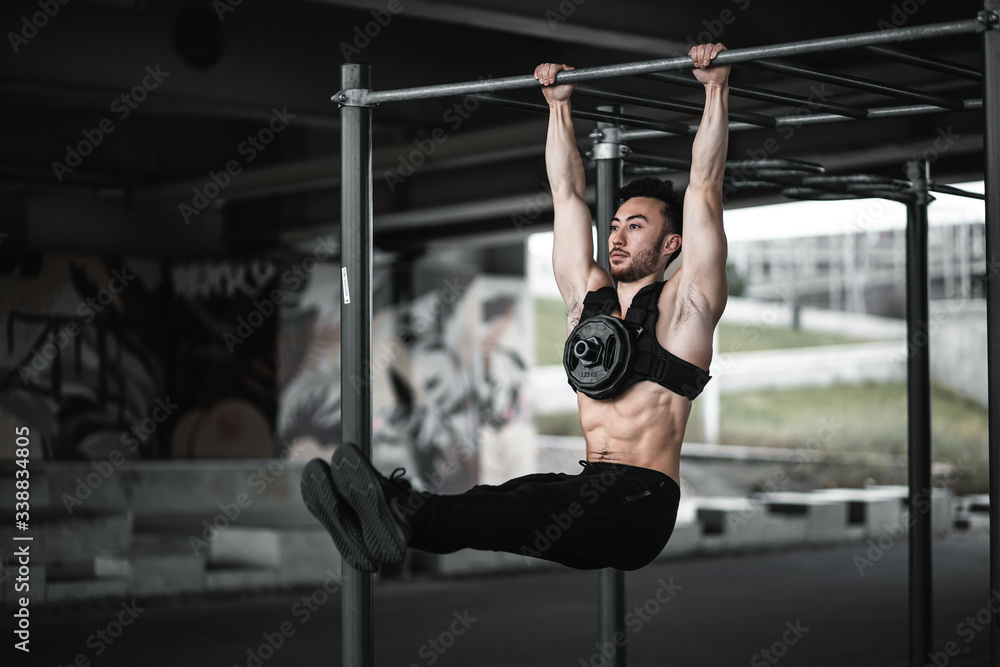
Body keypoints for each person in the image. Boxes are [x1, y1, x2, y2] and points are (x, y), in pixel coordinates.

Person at [301, 43, 731, 573]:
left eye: (635, 227)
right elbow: (568, 194)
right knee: (504, 501)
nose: (617, 237)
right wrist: (558, 105)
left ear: (671, 245)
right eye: (615, 225)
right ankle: (386, 526)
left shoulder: (685, 308)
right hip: (592, 485)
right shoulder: (588, 300)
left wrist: (714, 88)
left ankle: (397, 514)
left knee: (525, 507)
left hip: (640, 507)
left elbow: (705, 190)